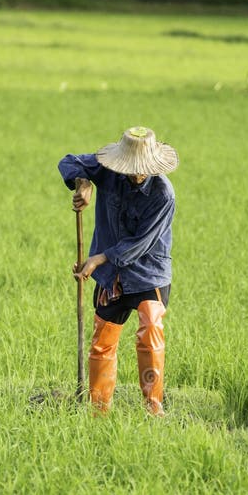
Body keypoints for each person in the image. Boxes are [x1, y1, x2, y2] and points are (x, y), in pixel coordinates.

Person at [58, 126, 178, 415]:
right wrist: (83, 183)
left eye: (142, 170)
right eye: (132, 169)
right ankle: (98, 412)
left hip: (149, 273)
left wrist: (98, 259)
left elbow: (140, 244)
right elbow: (69, 161)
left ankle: (153, 409)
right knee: (102, 340)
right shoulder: (109, 171)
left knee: (150, 327)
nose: (136, 174)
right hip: (113, 278)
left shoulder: (163, 195)